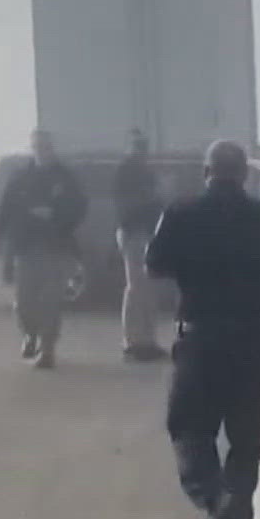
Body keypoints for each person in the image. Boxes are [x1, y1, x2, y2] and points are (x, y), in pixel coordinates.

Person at [146, 140, 260, 519]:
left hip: (200, 335)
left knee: (188, 427)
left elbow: (154, 270)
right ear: (244, 174)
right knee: (245, 435)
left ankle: (215, 499)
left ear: (207, 172)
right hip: (255, 339)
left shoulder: (180, 213)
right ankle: (238, 512)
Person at [0, 129, 87, 370]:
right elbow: (5, 210)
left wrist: (56, 214)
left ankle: (48, 349)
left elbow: (80, 207)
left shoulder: (65, 177)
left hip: (55, 247)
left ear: (52, 148)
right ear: (32, 148)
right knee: (24, 302)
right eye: (38, 146)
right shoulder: (20, 177)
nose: (42, 150)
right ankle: (30, 334)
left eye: (46, 146)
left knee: (51, 301)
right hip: (26, 247)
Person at [114, 129, 167, 362]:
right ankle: (132, 342)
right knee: (136, 288)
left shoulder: (147, 172)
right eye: (136, 146)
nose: (141, 150)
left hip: (147, 233)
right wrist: (151, 198)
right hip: (133, 232)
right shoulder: (124, 171)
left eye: (143, 146)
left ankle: (147, 340)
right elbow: (126, 205)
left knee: (149, 290)